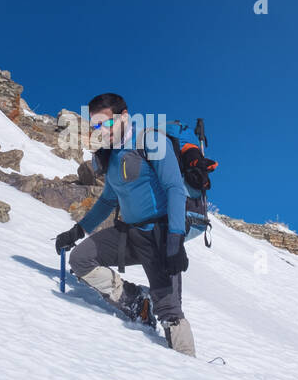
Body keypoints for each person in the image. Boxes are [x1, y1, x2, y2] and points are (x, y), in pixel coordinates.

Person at [55, 93, 196, 357]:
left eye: (105, 124)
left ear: (124, 117)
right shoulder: (108, 154)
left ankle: (190, 369)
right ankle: (136, 302)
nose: (100, 131)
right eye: (95, 125)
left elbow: (175, 189)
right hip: (129, 235)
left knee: (169, 311)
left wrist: (175, 241)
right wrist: (78, 230)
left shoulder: (151, 141)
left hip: (160, 236)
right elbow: (108, 200)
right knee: (81, 259)